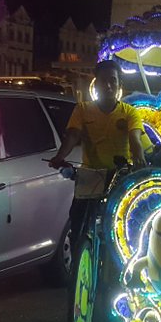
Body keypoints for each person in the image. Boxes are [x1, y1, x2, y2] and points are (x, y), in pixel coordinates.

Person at [48, 60, 146, 247]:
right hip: (90, 175)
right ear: (96, 83)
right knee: (78, 222)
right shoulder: (83, 109)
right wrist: (60, 157)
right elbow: (72, 136)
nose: (108, 85)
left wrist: (139, 160)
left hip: (119, 176)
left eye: (113, 81)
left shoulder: (130, 112)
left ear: (119, 85)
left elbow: (135, 140)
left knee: (121, 225)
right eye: (103, 81)